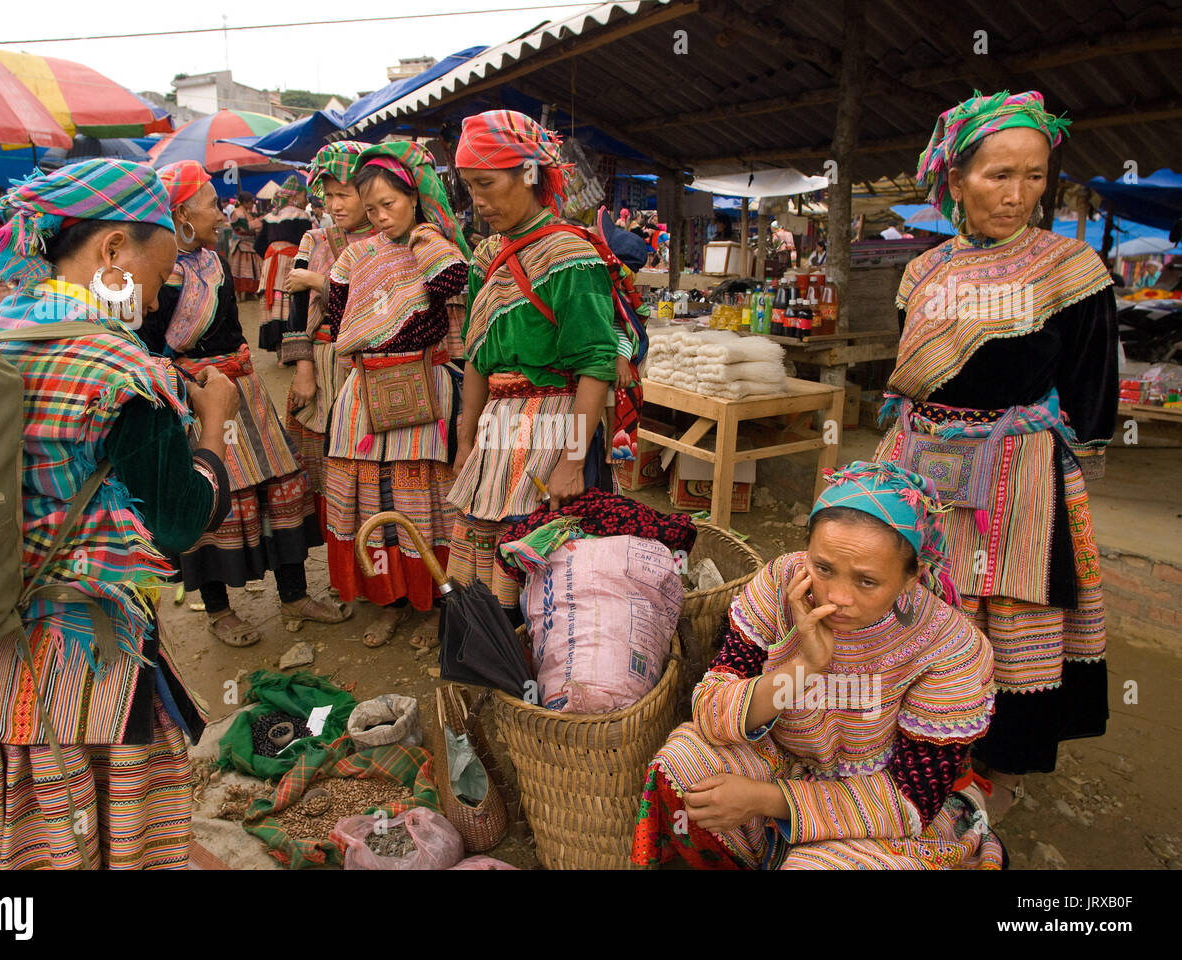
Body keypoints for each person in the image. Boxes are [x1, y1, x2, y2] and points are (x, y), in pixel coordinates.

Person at [0, 158, 237, 869]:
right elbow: (178, 523)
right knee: (94, 840)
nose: (158, 298)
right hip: (78, 670)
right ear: (113, 251)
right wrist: (212, 431)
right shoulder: (123, 373)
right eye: (161, 269)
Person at [876, 90, 1116, 821]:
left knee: (1010, 618)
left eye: (1035, 176)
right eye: (998, 175)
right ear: (956, 181)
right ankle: (918, 751)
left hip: (1020, 481)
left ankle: (994, 780)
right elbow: (908, 376)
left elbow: (1090, 396)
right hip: (920, 470)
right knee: (919, 604)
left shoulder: (1071, 270)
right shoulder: (922, 273)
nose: (1018, 196)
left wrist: (1029, 447)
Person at [634, 461, 1001, 870]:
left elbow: (912, 800)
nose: (838, 596)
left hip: (882, 808)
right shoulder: (780, 585)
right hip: (783, 762)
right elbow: (710, 712)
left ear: (911, 578)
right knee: (683, 765)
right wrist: (804, 665)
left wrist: (764, 800)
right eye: (823, 568)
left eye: (867, 581)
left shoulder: (950, 648)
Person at [138, 160, 349, 646]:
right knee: (212, 496)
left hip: (245, 387)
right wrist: (191, 385)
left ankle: (294, 595)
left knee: (280, 486)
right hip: (199, 396)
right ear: (183, 214)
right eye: (212, 205)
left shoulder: (213, 260)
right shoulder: (156, 277)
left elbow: (231, 328)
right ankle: (218, 609)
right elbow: (148, 352)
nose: (223, 214)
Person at [447, 109, 623, 614]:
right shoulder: (487, 258)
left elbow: (596, 364)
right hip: (497, 436)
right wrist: (466, 439)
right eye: (469, 187)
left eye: (485, 184)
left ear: (529, 175)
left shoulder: (571, 257)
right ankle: (498, 669)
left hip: (554, 431)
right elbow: (477, 355)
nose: (477, 202)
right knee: (489, 569)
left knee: (549, 575)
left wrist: (570, 460)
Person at [323, 141, 469, 648]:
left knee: (423, 495)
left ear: (414, 196)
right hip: (364, 394)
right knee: (373, 497)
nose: (380, 217)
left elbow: (452, 279)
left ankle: (430, 604)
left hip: (421, 390)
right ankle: (387, 601)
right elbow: (338, 311)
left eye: (390, 204)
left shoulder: (435, 246)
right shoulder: (355, 254)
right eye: (371, 210)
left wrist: (422, 235)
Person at [280, 141, 376, 540]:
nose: (334, 205)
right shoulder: (314, 240)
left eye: (345, 194)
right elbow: (296, 310)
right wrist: (303, 369)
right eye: (329, 195)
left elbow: (385, 298)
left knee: (367, 463)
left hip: (370, 367)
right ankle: (340, 551)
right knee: (325, 463)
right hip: (321, 365)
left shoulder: (391, 239)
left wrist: (319, 281)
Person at [256, 175, 313, 355]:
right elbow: (307, 243)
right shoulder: (301, 216)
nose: (305, 200)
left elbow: (258, 244)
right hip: (291, 263)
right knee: (290, 300)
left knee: (274, 303)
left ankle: (279, 352)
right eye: (303, 196)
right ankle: (292, 352)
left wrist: (272, 254)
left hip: (271, 262)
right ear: (293, 196)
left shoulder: (270, 217)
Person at [227, 191, 262, 298]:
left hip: (249, 244)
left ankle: (249, 293)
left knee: (251, 269)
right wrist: (258, 222)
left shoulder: (246, 212)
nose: (252, 205)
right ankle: (241, 292)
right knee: (242, 269)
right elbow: (245, 228)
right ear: (245, 202)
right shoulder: (238, 213)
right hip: (242, 245)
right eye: (251, 202)